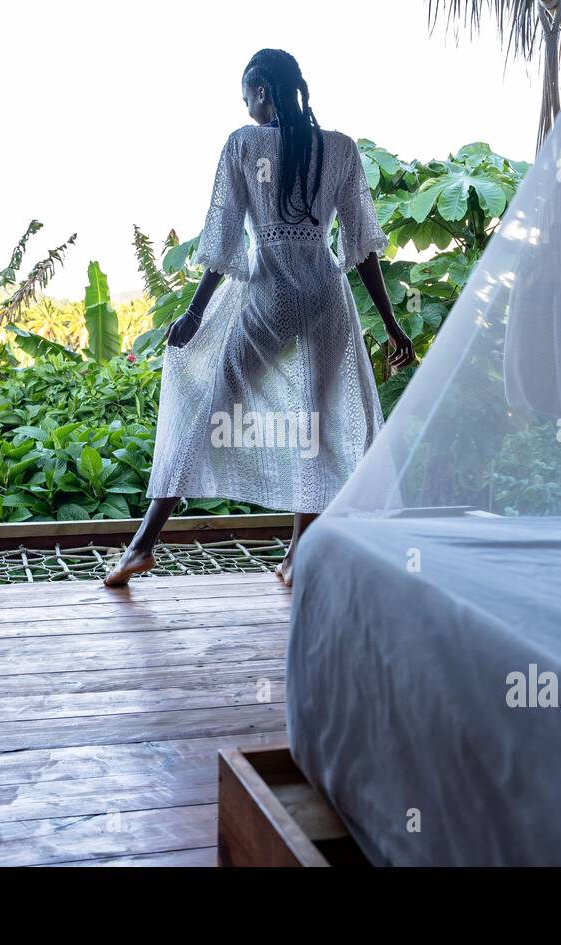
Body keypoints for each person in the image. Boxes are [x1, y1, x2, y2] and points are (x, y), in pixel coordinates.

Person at [105, 48, 413, 588]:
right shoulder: (339, 149)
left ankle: (141, 546)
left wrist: (196, 312)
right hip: (326, 299)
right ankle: (297, 556)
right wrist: (390, 325)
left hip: (269, 297)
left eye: (246, 94)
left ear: (262, 91)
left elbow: (223, 240)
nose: (245, 105)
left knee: (210, 409)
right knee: (315, 427)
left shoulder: (243, 145)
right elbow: (363, 248)